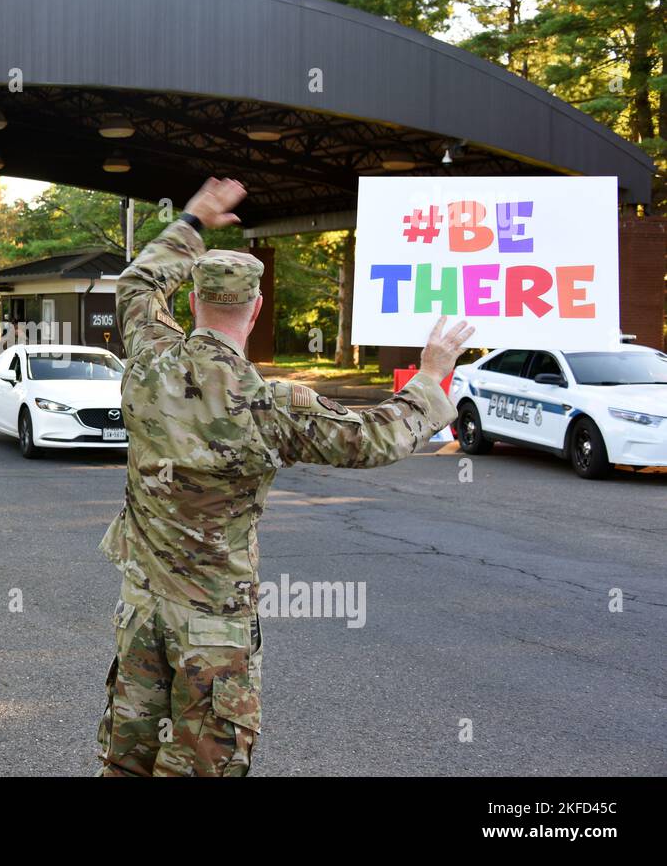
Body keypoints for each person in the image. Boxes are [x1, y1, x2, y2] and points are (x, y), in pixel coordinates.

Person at [95, 178, 474, 777]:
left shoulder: (146, 361)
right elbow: (381, 436)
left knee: (126, 766)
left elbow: (139, 283)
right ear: (257, 308)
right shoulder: (272, 406)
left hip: (141, 613)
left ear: (192, 302)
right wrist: (432, 373)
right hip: (212, 631)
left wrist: (192, 218)